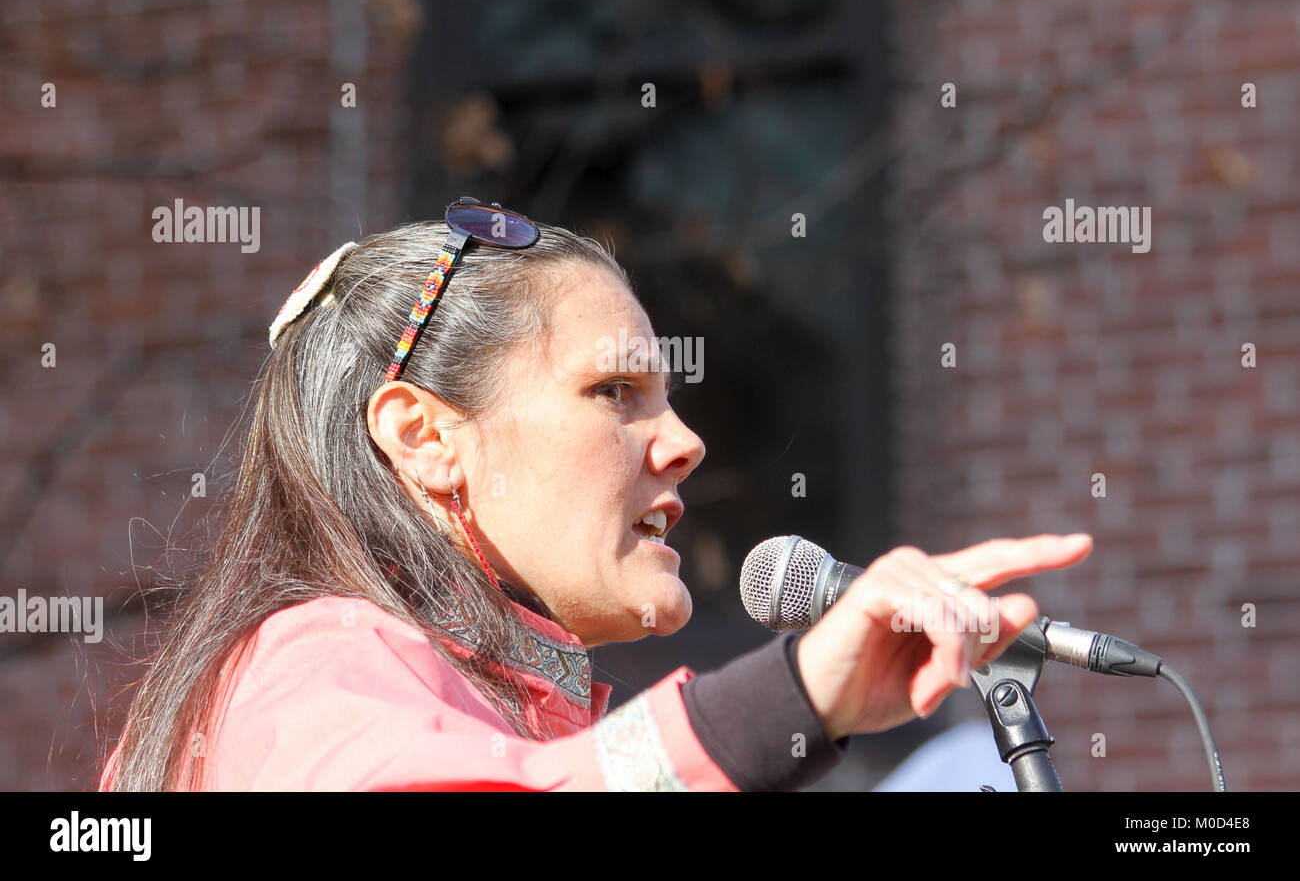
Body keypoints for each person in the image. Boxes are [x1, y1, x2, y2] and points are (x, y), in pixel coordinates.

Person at [99, 198, 1093, 791]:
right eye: (613, 391)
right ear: (425, 436)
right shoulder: (315, 656)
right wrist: (787, 697)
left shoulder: (504, 704)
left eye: (668, 395)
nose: (686, 441)